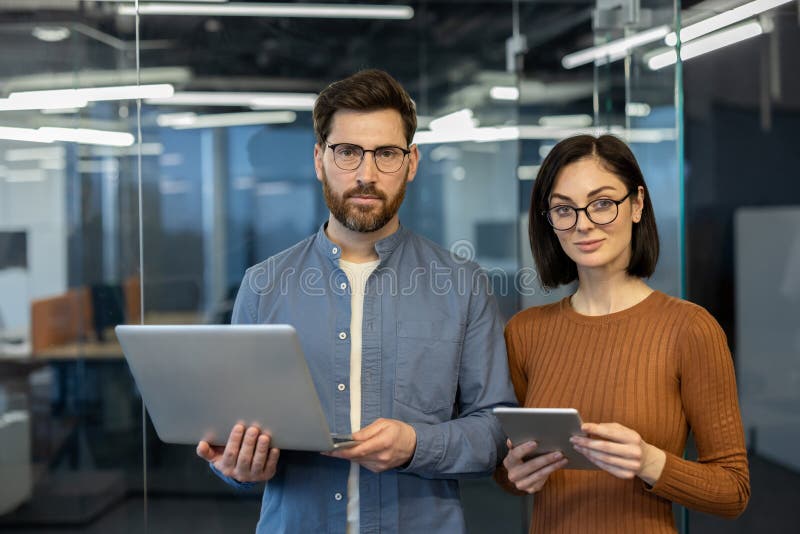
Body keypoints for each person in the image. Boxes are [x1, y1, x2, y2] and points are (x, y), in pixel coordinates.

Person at [196, 69, 516, 533]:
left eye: (386, 153)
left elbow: (495, 430)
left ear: (412, 163)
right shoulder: (262, 286)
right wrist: (240, 466)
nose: (366, 174)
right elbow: (233, 434)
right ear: (319, 160)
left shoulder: (462, 284)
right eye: (347, 152)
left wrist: (414, 445)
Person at [495, 134, 750, 533]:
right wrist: (513, 474)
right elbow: (507, 475)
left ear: (637, 204)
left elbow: (733, 491)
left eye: (601, 204)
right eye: (564, 210)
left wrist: (650, 462)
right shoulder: (525, 332)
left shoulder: (690, 329)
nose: (583, 224)